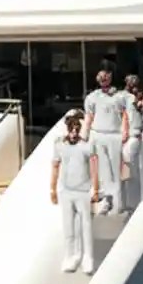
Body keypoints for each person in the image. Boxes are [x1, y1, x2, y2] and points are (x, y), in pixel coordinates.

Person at [52, 114, 99, 274]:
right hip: (66, 190)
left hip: (83, 191)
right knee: (68, 226)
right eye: (71, 130)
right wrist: (52, 188)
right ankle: (70, 256)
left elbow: (93, 168)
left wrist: (95, 188)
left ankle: (88, 258)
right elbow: (55, 166)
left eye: (76, 130)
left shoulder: (86, 146)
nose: (73, 133)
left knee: (86, 225)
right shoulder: (59, 145)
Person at [84, 70, 129, 215]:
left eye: (106, 76)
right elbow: (89, 117)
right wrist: (84, 135)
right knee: (103, 170)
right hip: (98, 134)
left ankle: (118, 202)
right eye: (101, 77)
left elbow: (124, 115)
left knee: (115, 169)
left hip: (114, 135)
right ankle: (106, 200)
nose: (103, 79)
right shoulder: (92, 97)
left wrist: (125, 131)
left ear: (110, 77)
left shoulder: (119, 96)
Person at [120, 75, 143, 210]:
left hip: (131, 136)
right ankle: (130, 201)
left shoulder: (133, 98)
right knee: (131, 171)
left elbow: (126, 116)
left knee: (129, 171)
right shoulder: (132, 97)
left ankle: (130, 202)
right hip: (132, 136)